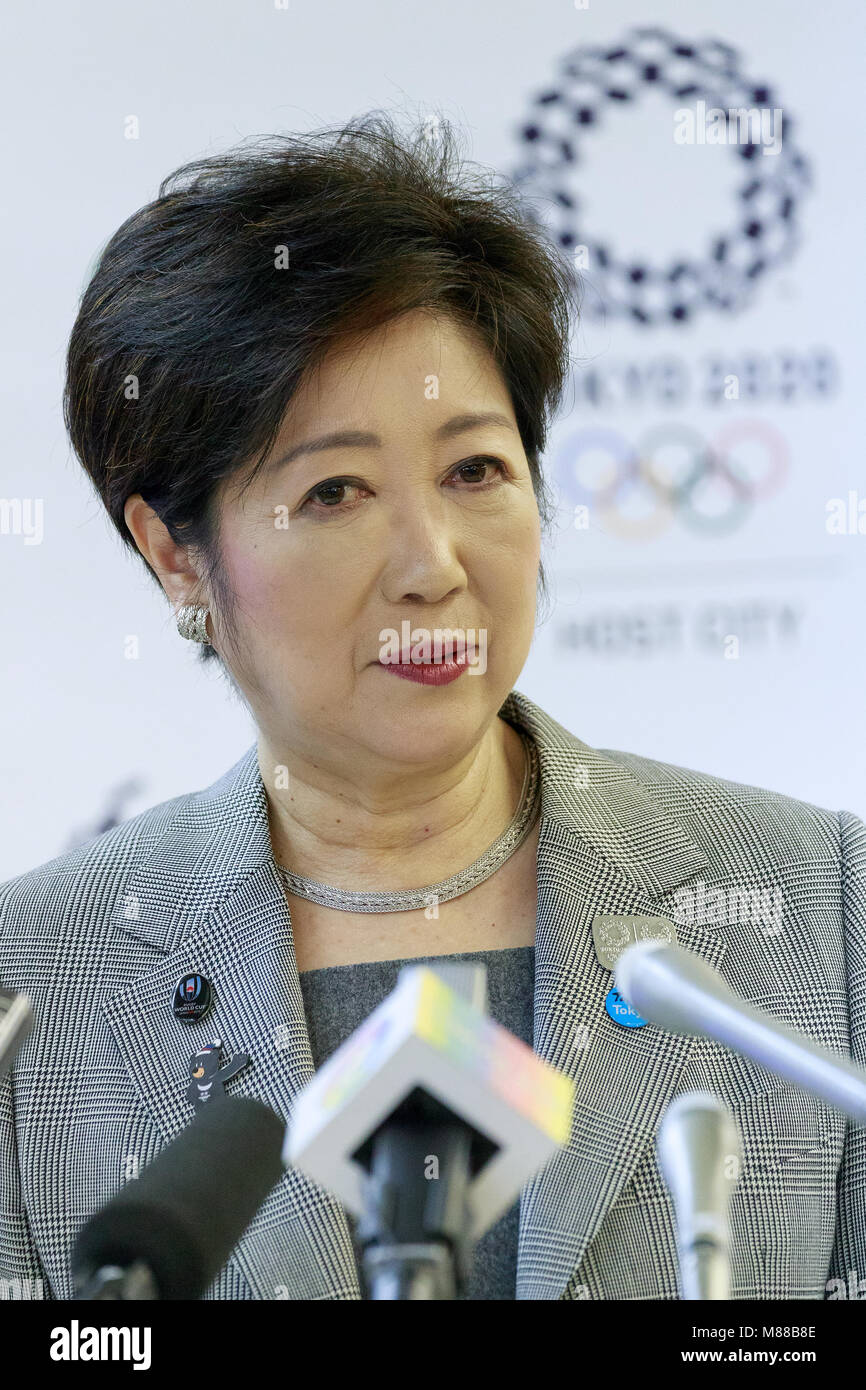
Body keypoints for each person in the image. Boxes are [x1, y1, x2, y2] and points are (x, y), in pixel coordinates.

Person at [1, 113, 864, 1302]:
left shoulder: (820, 906)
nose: (431, 561)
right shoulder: (36, 986)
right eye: (336, 489)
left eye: (474, 470)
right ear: (176, 556)